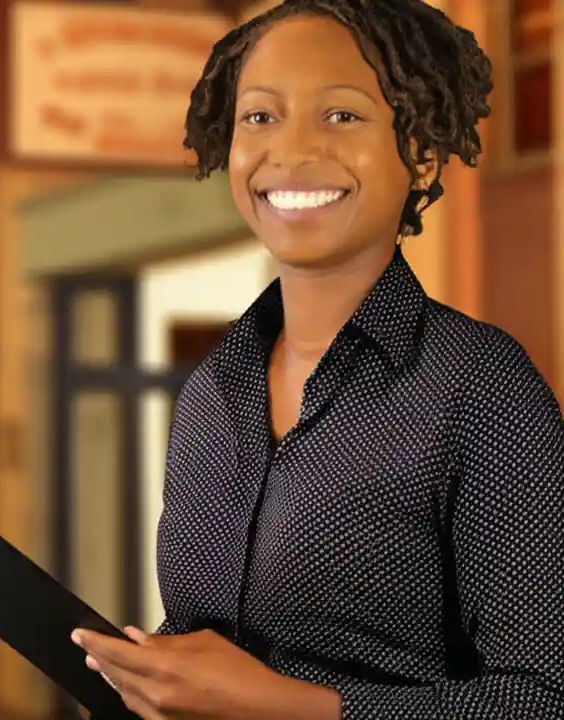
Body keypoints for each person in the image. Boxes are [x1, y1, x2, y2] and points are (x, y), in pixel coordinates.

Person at [70, 1, 564, 718]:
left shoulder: (480, 387)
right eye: (260, 117)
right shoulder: (212, 393)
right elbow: (208, 643)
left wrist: (296, 706)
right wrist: (150, 681)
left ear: (421, 153)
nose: (290, 151)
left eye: (342, 116)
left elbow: (541, 697)